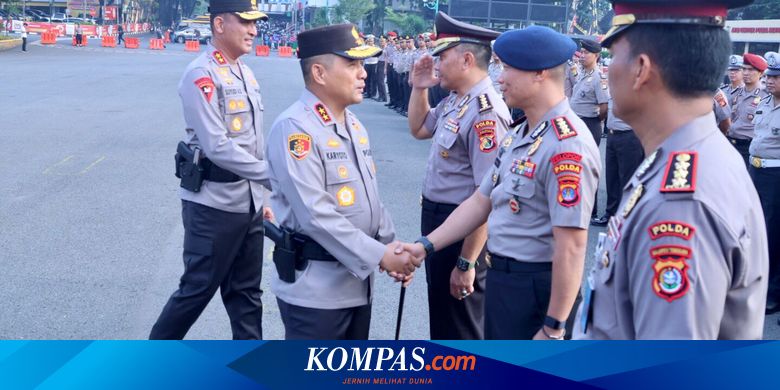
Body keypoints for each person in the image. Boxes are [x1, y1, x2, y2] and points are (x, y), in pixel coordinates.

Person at [574, 0, 768, 340]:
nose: (608, 68)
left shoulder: (681, 202)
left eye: (613, 55)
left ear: (642, 69)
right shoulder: (688, 157)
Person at [404, 25, 599, 340]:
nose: (499, 77)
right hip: (504, 280)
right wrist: (425, 246)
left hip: (537, 291)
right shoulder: (521, 134)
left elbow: (572, 244)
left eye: (509, 68)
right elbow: (480, 201)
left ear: (540, 73)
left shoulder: (567, 145)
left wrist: (553, 326)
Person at [266, 24, 415, 340]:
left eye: (362, 64)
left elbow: (371, 200)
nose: (363, 73)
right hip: (316, 293)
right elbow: (316, 215)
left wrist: (393, 247)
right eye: (352, 64)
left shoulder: (353, 125)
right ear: (319, 73)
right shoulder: (296, 130)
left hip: (356, 287)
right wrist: (381, 255)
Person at [149, 0, 272, 340]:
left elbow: (252, 142)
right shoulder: (201, 74)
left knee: (247, 295)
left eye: (255, 23)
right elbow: (217, 145)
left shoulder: (244, 70)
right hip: (212, 205)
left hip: (248, 204)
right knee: (197, 290)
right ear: (219, 25)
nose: (253, 30)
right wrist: (272, 176)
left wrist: (261, 196)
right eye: (245, 22)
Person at [407, 12, 511, 340]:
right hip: (441, 226)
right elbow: (419, 128)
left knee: (461, 329)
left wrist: (466, 263)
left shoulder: (485, 113)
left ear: (467, 59)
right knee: (443, 321)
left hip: (462, 233)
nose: (437, 65)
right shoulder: (457, 100)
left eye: (443, 57)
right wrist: (420, 87)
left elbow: (487, 197)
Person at [750, 52, 780, 317]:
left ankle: (772, 293)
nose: (769, 81)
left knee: (772, 234)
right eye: (768, 76)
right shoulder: (764, 102)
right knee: (754, 230)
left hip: (776, 176)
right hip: (756, 171)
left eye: (775, 77)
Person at [570, 39, 609, 224]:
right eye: (582, 52)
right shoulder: (582, 74)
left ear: (597, 56)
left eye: (587, 53)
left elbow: (604, 106)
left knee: (587, 168)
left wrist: (596, 122)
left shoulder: (597, 78)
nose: (582, 55)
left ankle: (591, 211)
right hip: (576, 122)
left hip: (590, 123)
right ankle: (577, 206)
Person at [601, 97, 644, 226]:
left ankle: (626, 217)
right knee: (611, 177)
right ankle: (610, 213)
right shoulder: (615, 86)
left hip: (628, 135)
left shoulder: (635, 89)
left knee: (627, 179)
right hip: (612, 134)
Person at [729, 53, 769, 168]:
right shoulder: (736, 93)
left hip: (750, 147)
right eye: (744, 69)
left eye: (751, 70)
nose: (746, 73)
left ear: (760, 73)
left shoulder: (766, 95)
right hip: (732, 143)